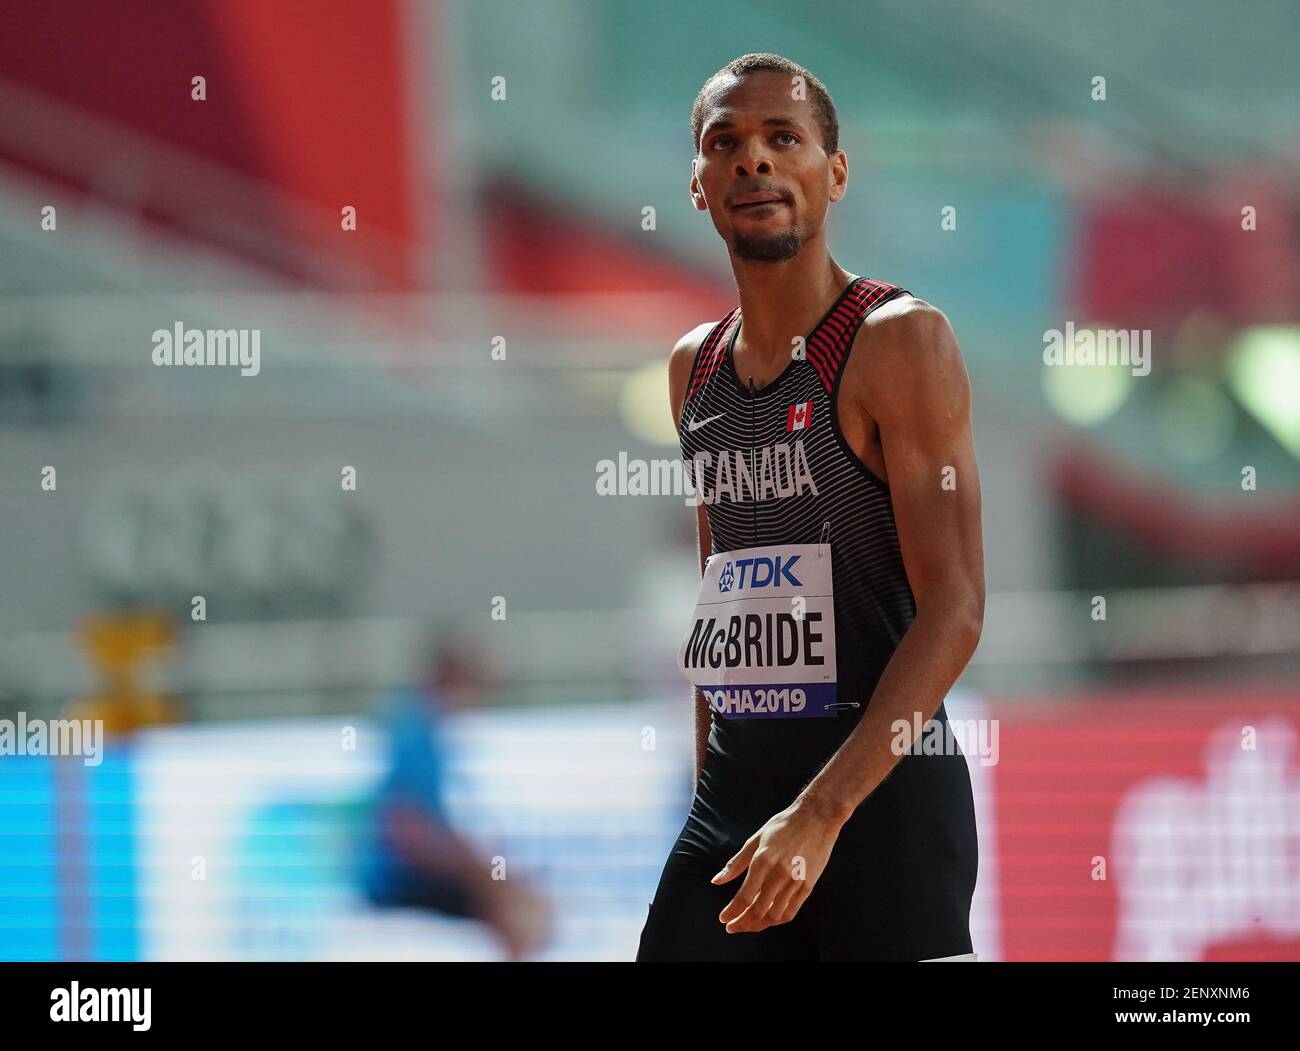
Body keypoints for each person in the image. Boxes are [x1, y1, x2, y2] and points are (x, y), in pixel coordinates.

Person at [637, 53, 984, 961]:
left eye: (782, 138)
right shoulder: (692, 369)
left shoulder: (898, 341)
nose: (753, 160)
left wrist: (825, 810)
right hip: (741, 792)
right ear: (700, 188)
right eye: (727, 144)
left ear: (834, 173)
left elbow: (956, 608)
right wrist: (708, 782)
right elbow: (725, 588)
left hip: (883, 794)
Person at [360, 630, 550, 960]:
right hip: (394, 876)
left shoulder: (424, 726)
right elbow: (409, 831)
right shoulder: (416, 730)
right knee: (514, 907)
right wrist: (479, 872)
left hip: (407, 866)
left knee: (518, 900)